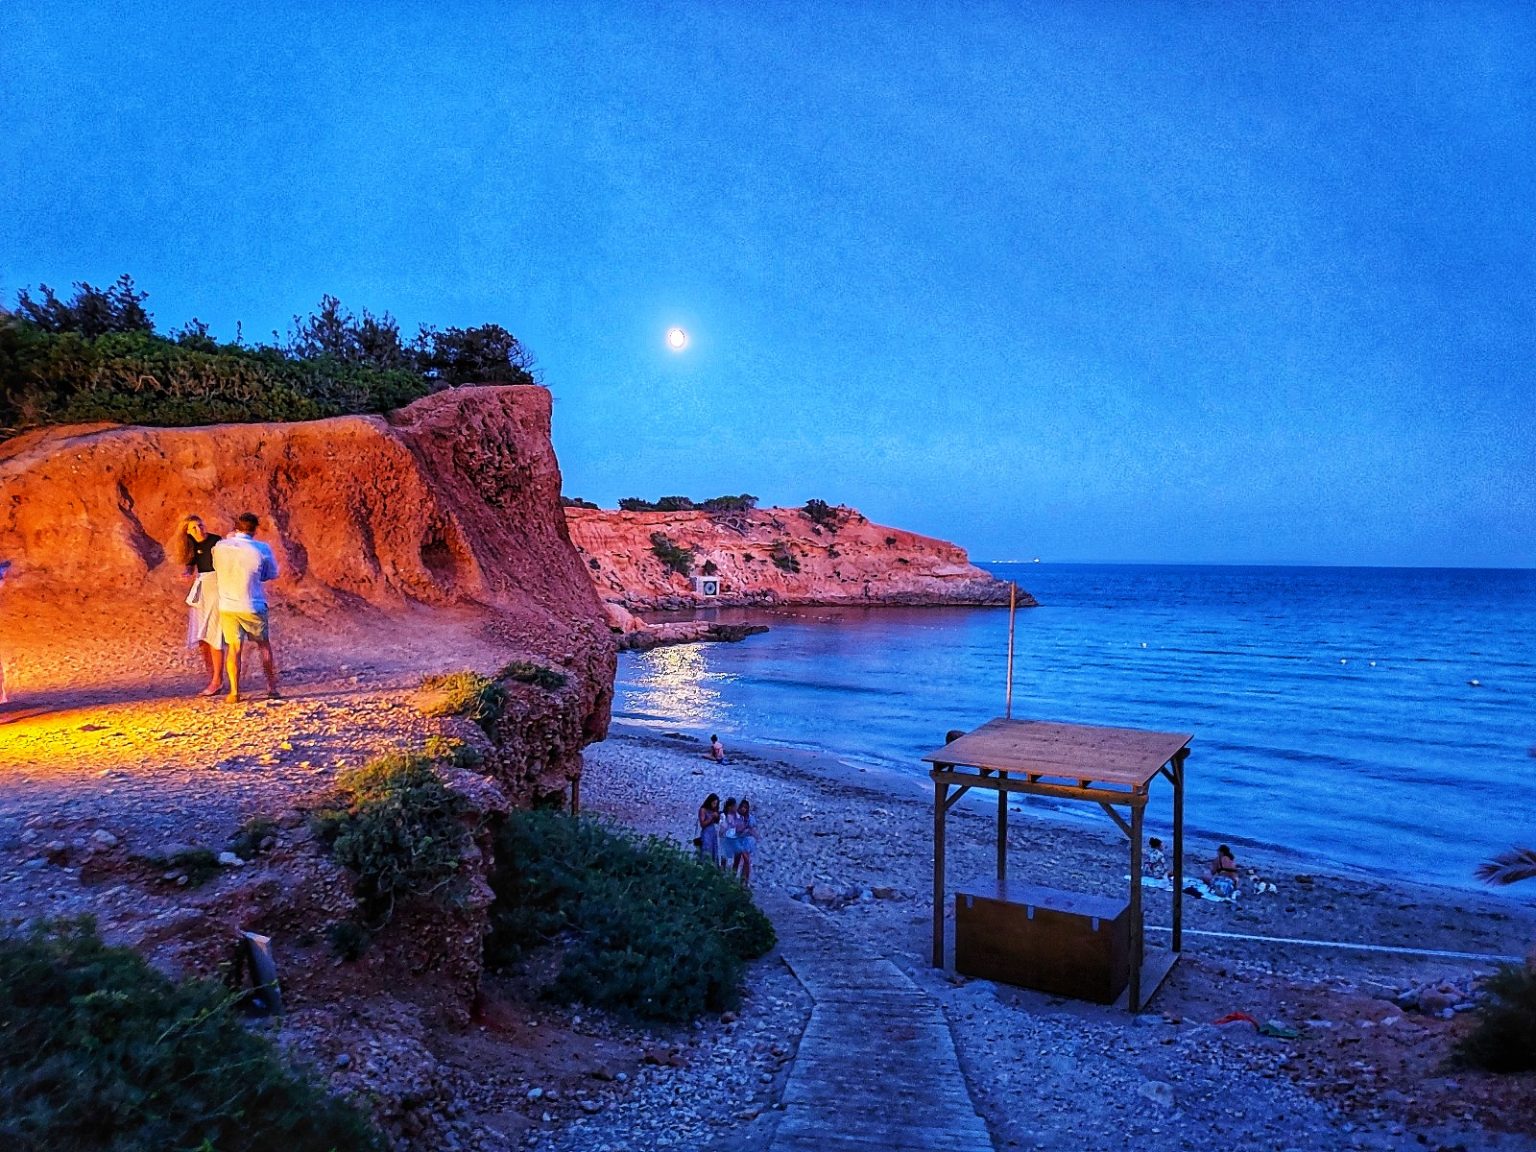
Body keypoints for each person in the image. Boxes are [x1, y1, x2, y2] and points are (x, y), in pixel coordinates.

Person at [212, 512, 281, 703]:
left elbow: (216, 566)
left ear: (236, 527)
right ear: (255, 529)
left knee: (234, 648)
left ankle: (234, 691)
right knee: (263, 645)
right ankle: (271, 687)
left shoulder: (220, 547)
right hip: (253, 603)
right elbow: (271, 574)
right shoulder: (261, 548)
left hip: (228, 605)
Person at [173, 514, 225, 695]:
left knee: (214, 634)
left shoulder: (216, 541)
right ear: (188, 532)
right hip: (202, 588)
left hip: (216, 587)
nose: (199, 530)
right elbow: (191, 564)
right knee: (202, 637)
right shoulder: (192, 545)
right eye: (194, 528)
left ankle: (217, 680)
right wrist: (187, 573)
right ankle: (212, 676)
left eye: (200, 525)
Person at [733, 798, 758, 886]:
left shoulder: (749, 818)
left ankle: (744, 881)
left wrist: (756, 836)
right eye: (742, 807)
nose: (743, 809)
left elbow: (752, 829)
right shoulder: (736, 817)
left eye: (745, 807)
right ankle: (732, 878)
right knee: (736, 860)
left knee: (746, 861)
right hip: (737, 840)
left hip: (746, 841)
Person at [697, 793, 721, 864]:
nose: (715, 805)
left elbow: (717, 822)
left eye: (716, 804)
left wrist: (717, 816)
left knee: (714, 851)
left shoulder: (713, 810)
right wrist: (711, 817)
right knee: (706, 850)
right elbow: (702, 824)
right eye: (714, 803)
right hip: (706, 833)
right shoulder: (703, 810)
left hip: (713, 832)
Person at [721, 797, 741, 871]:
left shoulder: (737, 815)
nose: (736, 807)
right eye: (734, 806)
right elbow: (722, 829)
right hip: (725, 839)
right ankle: (722, 872)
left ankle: (734, 872)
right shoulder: (723, 816)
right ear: (730, 807)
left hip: (734, 838)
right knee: (724, 857)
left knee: (738, 854)